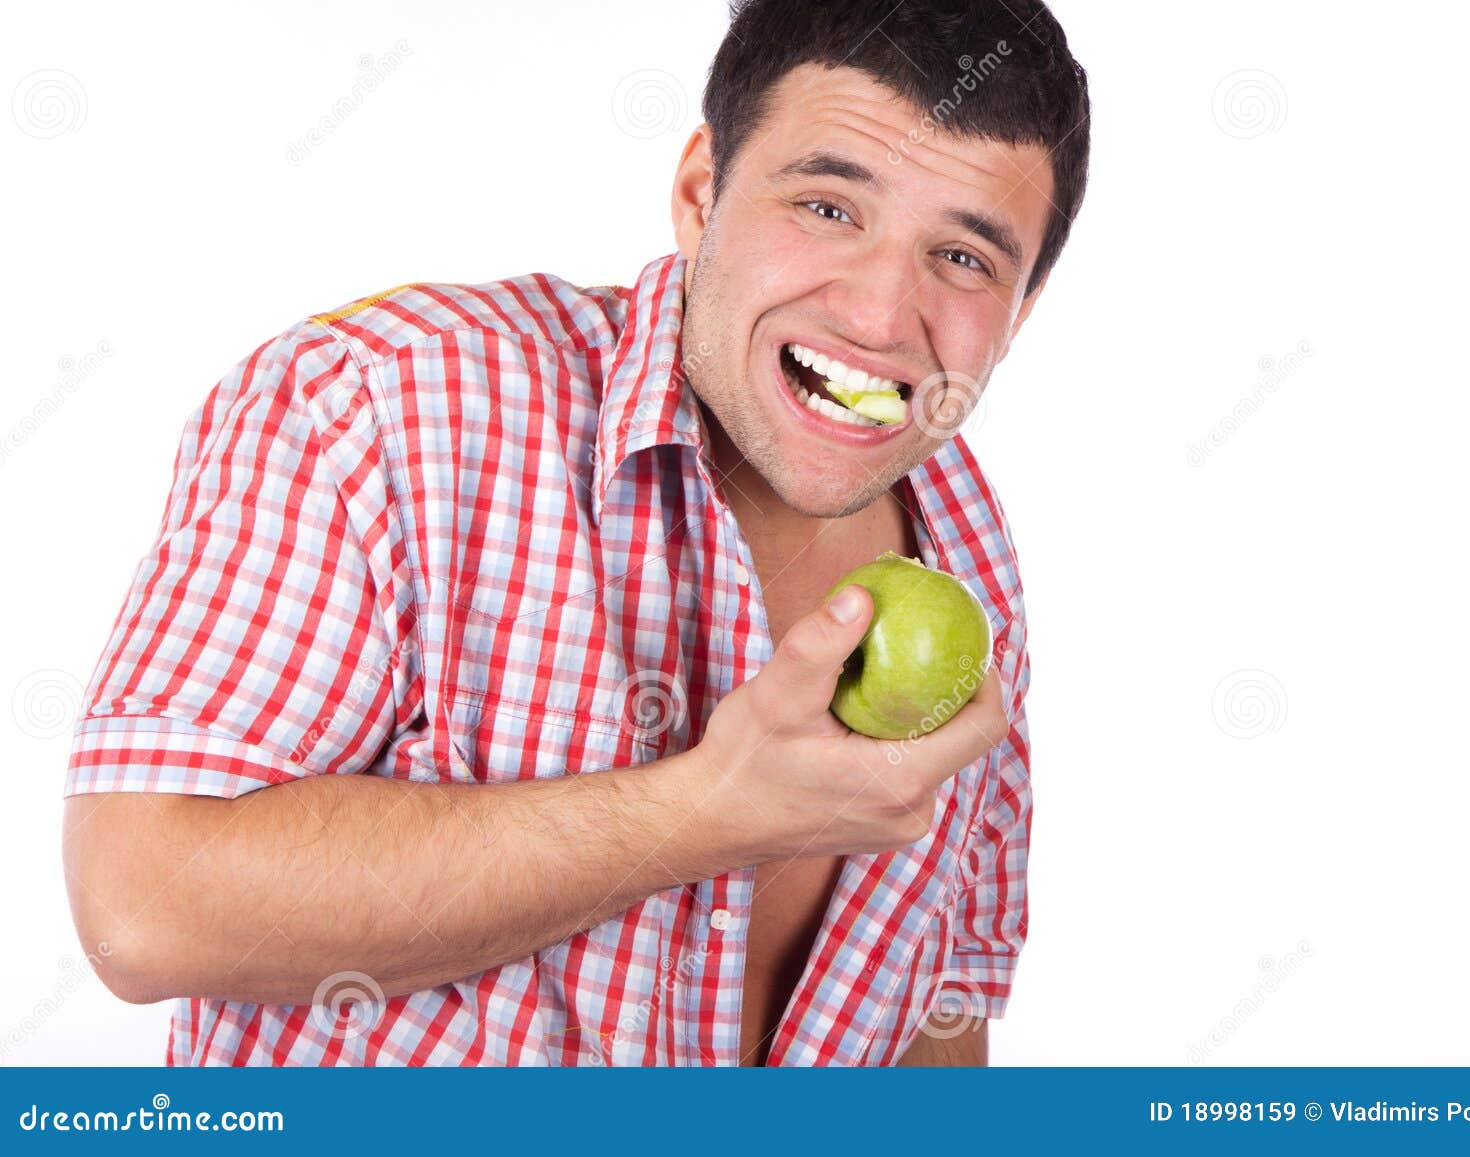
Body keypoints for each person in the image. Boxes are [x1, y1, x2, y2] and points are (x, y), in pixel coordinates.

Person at [62, 0, 1090, 1066]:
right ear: (701, 194)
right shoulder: (381, 406)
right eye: (828, 208)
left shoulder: (967, 543)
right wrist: (702, 812)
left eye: (963, 258)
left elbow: (940, 1003)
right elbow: (143, 907)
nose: (880, 315)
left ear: (1021, 307)